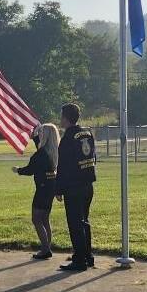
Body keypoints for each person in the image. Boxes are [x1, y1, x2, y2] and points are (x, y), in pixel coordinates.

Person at [54, 103, 97, 272]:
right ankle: (88, 256)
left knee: (75, 224)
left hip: (74, 186)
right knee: (84, 221)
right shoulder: (87, 133)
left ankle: (79, 260)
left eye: (61, 116)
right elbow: (93, 155)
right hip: (88, 183)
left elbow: (63, 166)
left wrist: (58, 189)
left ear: (65, 117)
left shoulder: (67, 138)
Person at [13, 123, 59, 260]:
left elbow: (30, 169)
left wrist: (18, 170)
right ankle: (47, 247)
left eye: (42, 133)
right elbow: (40, 145)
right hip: (51, 187)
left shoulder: (41, 154)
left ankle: (45, 249)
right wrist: (35, 136)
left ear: (45, 136)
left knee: (36, 219)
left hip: (42, 189)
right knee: (45, 219)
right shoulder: (54, 151)